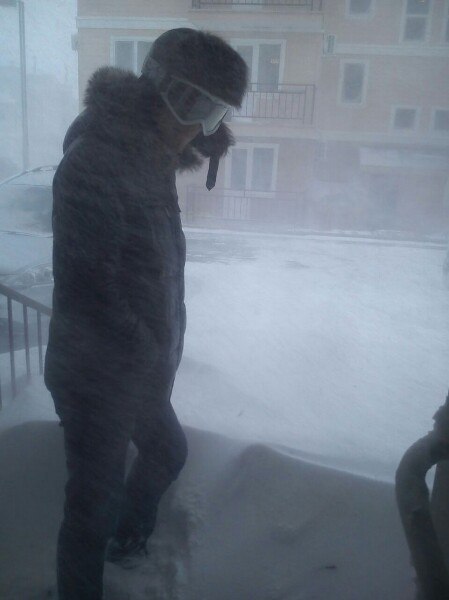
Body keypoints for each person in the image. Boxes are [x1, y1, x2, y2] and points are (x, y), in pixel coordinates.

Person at [44, 28, 247, 600]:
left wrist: (154, 351)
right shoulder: (96, 162)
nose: (196, 127)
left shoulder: (151, 156)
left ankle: (127, 546)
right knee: (91, 504)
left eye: (213, 114)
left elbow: (149, 267)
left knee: (167, 452)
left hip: (135, 371)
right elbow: (90, 286)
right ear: (157, 88)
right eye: (191, 105)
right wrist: (146, 346)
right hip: (94, 374)